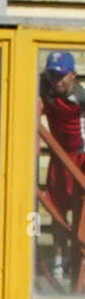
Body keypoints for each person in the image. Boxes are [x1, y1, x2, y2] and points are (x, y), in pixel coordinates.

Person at [39, 51, 84, 285]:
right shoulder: (42, 86)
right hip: (58, 157)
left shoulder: (81, 97)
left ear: (73, 76)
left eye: (60, 76)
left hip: (79, 158)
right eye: (51, 74)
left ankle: (77, 261)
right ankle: (57, 260)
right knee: (56, 210)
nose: (55, 80)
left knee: (80, 212)